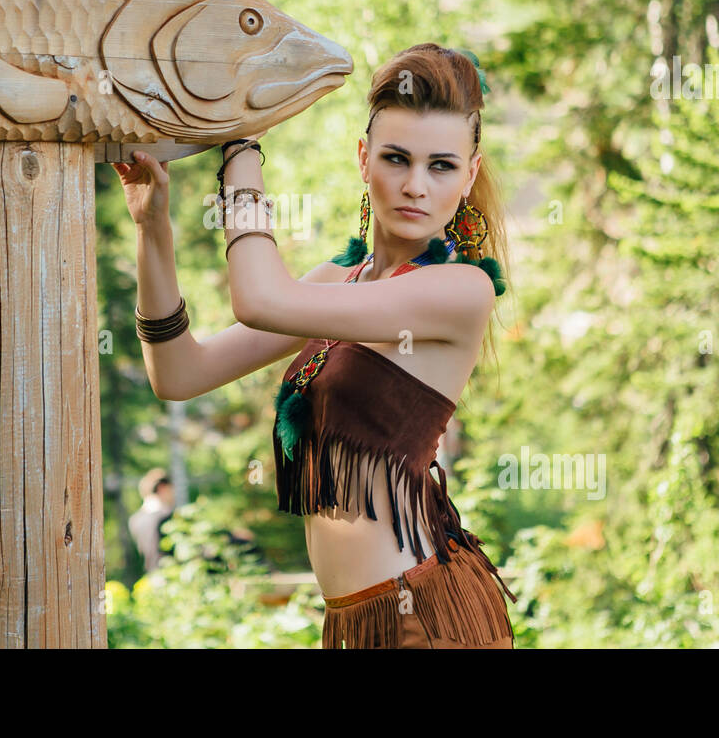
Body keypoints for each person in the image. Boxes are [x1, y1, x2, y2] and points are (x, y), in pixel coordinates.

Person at [113, 42, 517, 649]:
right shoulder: (339, 283)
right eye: (396, 158)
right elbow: (179, 373)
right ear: (363, 159)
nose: (414, 186)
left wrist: (242, 147)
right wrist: (152, 227)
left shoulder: (461, 290)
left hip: (422, 618)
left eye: (441, 166)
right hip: (352, 623)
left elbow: (259, 298)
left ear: (469, 174)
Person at [128, 468, 175, 572]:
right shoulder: (167, 516)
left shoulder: (134, 520)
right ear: (162, 488)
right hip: (170, 575)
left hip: (150, 575)